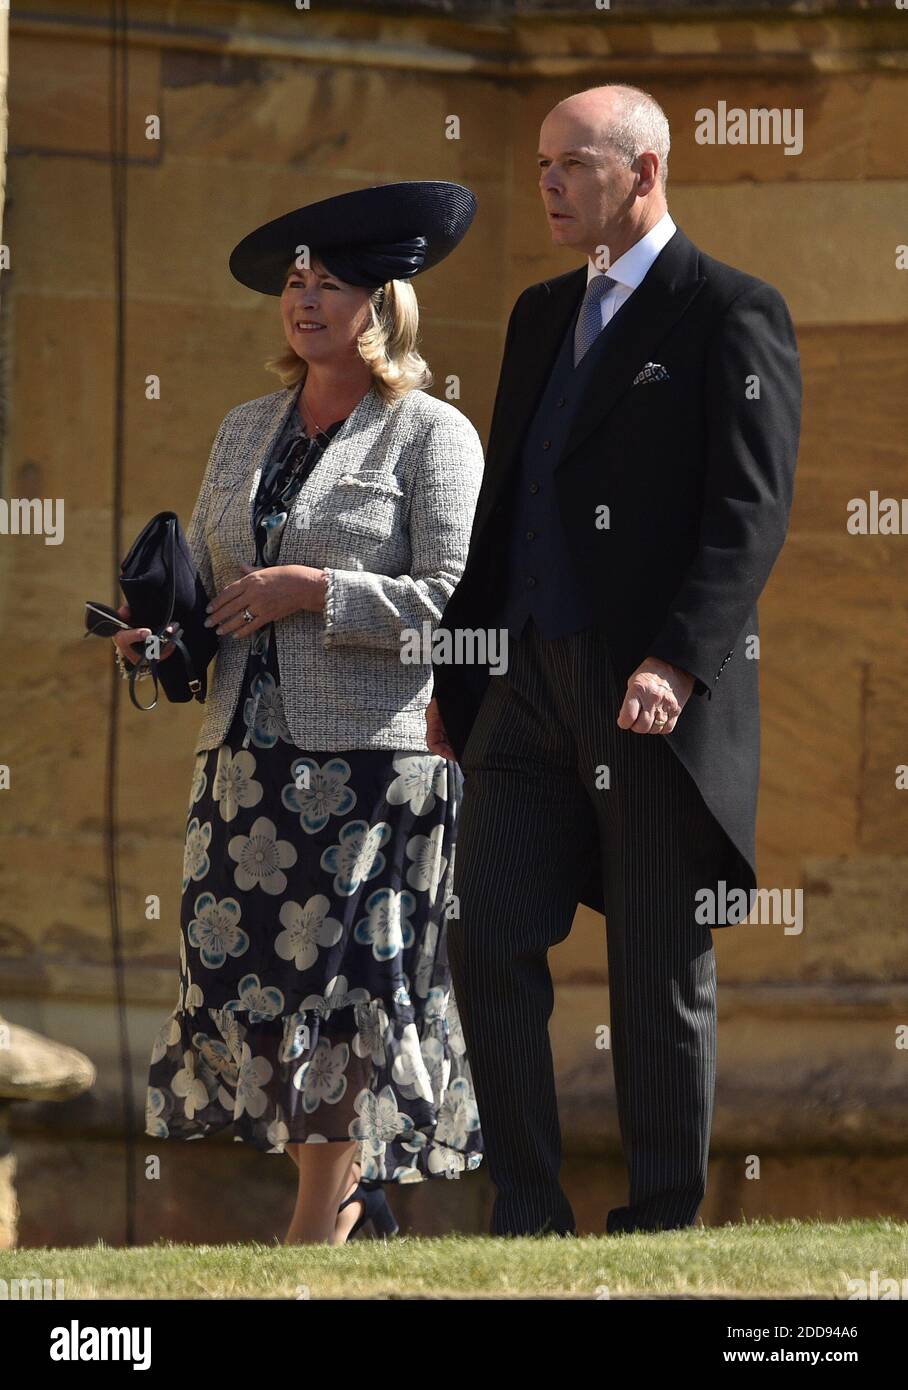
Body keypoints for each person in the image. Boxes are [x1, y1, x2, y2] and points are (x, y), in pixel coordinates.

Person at [428, 86, 802, 1236]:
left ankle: (659, 1216)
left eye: (570, 165)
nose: (544, 184)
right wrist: (460, 677)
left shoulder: (728, 312)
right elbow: (505, 516)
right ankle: (527, 1209)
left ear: (642, 174)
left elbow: (746, 514)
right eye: (539, 163)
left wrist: (676, 662)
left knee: (654, 967)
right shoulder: (538, 313)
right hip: (523, 680)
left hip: (646, 690)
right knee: (482, 934)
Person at [115, 181, 485, 1244]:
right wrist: (165, 636)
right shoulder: (243, 428)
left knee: (347, 988)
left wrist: (315, 591)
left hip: (369, 760)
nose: (305, 300)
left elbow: (447, 603)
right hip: (240, 750)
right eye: (294, 283)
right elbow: (211, 581)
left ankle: (316, 1219)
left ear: (383, 305)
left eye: (330, 284)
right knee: (247, 977)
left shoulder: (430, 433)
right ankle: (351, 1199)